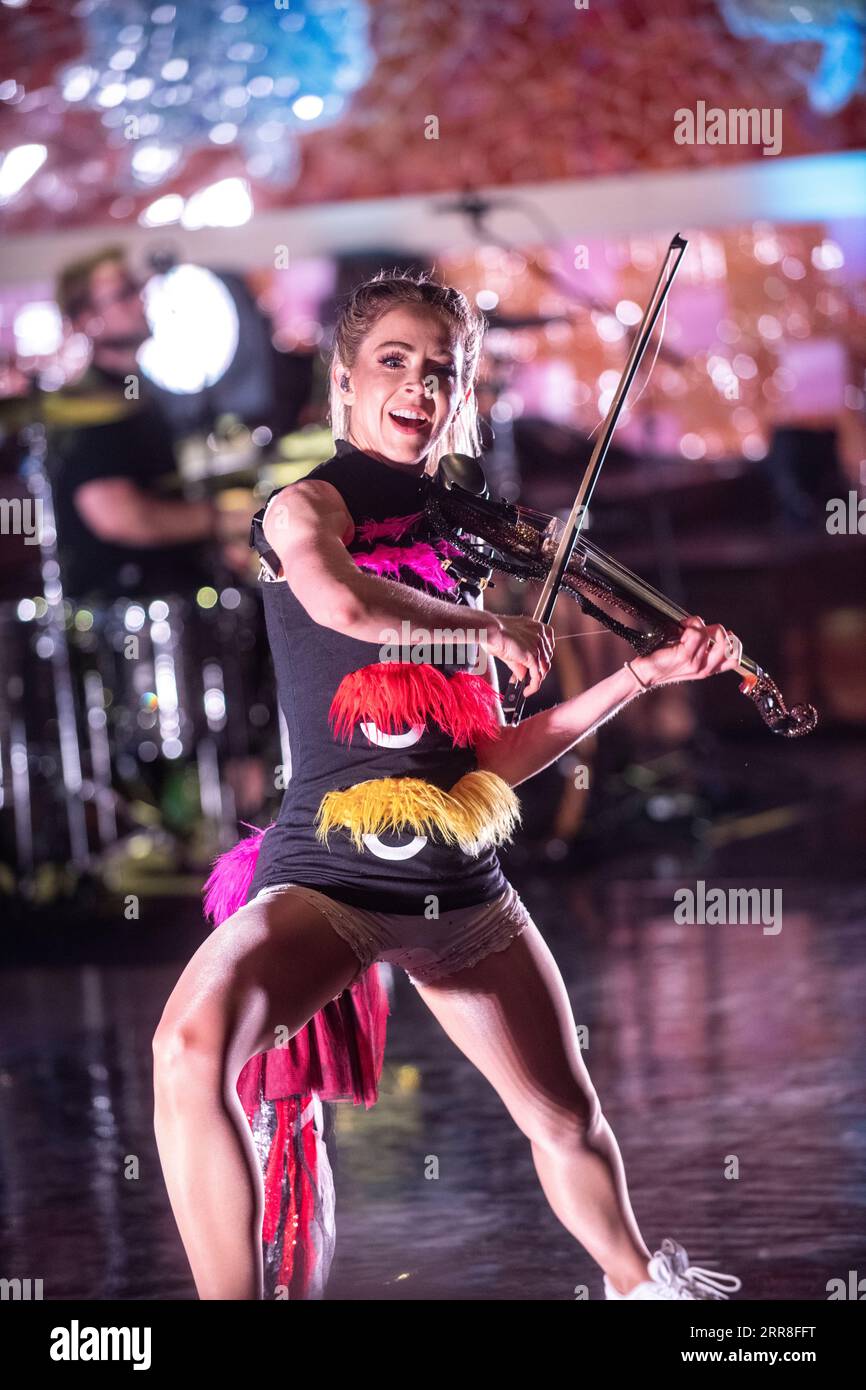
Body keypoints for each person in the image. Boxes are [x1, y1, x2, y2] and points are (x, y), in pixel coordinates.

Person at [153, 269, 745, 1301]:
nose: (420, 386)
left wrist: (636, 676)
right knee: (189, 1045)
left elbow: (482, 766)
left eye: (443, 369)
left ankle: (645, 1290)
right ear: (341, 384)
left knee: (564, 1120)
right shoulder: (304, 511)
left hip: (460, 889)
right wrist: (476, 628)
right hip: (328, 883)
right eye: (394, 362)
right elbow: (338, 602)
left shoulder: (459, 554)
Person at [51, 246, 249, 597]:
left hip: (177, 590)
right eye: (124, 293)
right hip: (133, 607)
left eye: (138, 288)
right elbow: (117, 516)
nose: (141, 299)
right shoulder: (91, 409)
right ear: (87, 320)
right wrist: (225, 519)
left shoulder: (139, 395)